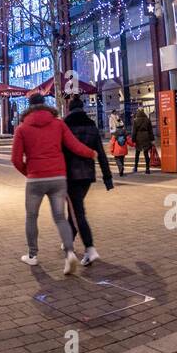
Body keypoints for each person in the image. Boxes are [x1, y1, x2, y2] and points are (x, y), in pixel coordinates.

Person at [11, 93, 96, 275]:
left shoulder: (22, 128)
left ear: (29, 106)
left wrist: (29, 171)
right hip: (58, 178)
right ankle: (70, 253)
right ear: (45, 104)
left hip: (35, 179)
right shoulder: (58, 123)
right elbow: (74, 145)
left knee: (31, 216)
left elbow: (16, 159)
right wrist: (91, 153)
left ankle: (32, 255)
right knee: (60, 217)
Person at [62, 95, 114, 266]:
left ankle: (89, 248)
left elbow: (60, 151)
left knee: (77, 211)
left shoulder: (65, 124)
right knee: (74, 209)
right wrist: (107, 178)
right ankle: (69, 241)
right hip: (87, 175)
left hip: (70, 175)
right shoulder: (91, 125)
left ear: (69, 107)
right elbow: (101, 152)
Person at [131, 108, 154, 174]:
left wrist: (133, 140)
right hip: (146, 137)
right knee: (146, 154)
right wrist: (152, 139)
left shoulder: (135, 120)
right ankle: (147, 169)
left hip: (138, 137)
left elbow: (134, 131)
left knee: (137, 153)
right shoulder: (147, 120)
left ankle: (135, 167)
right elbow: (150, 130)